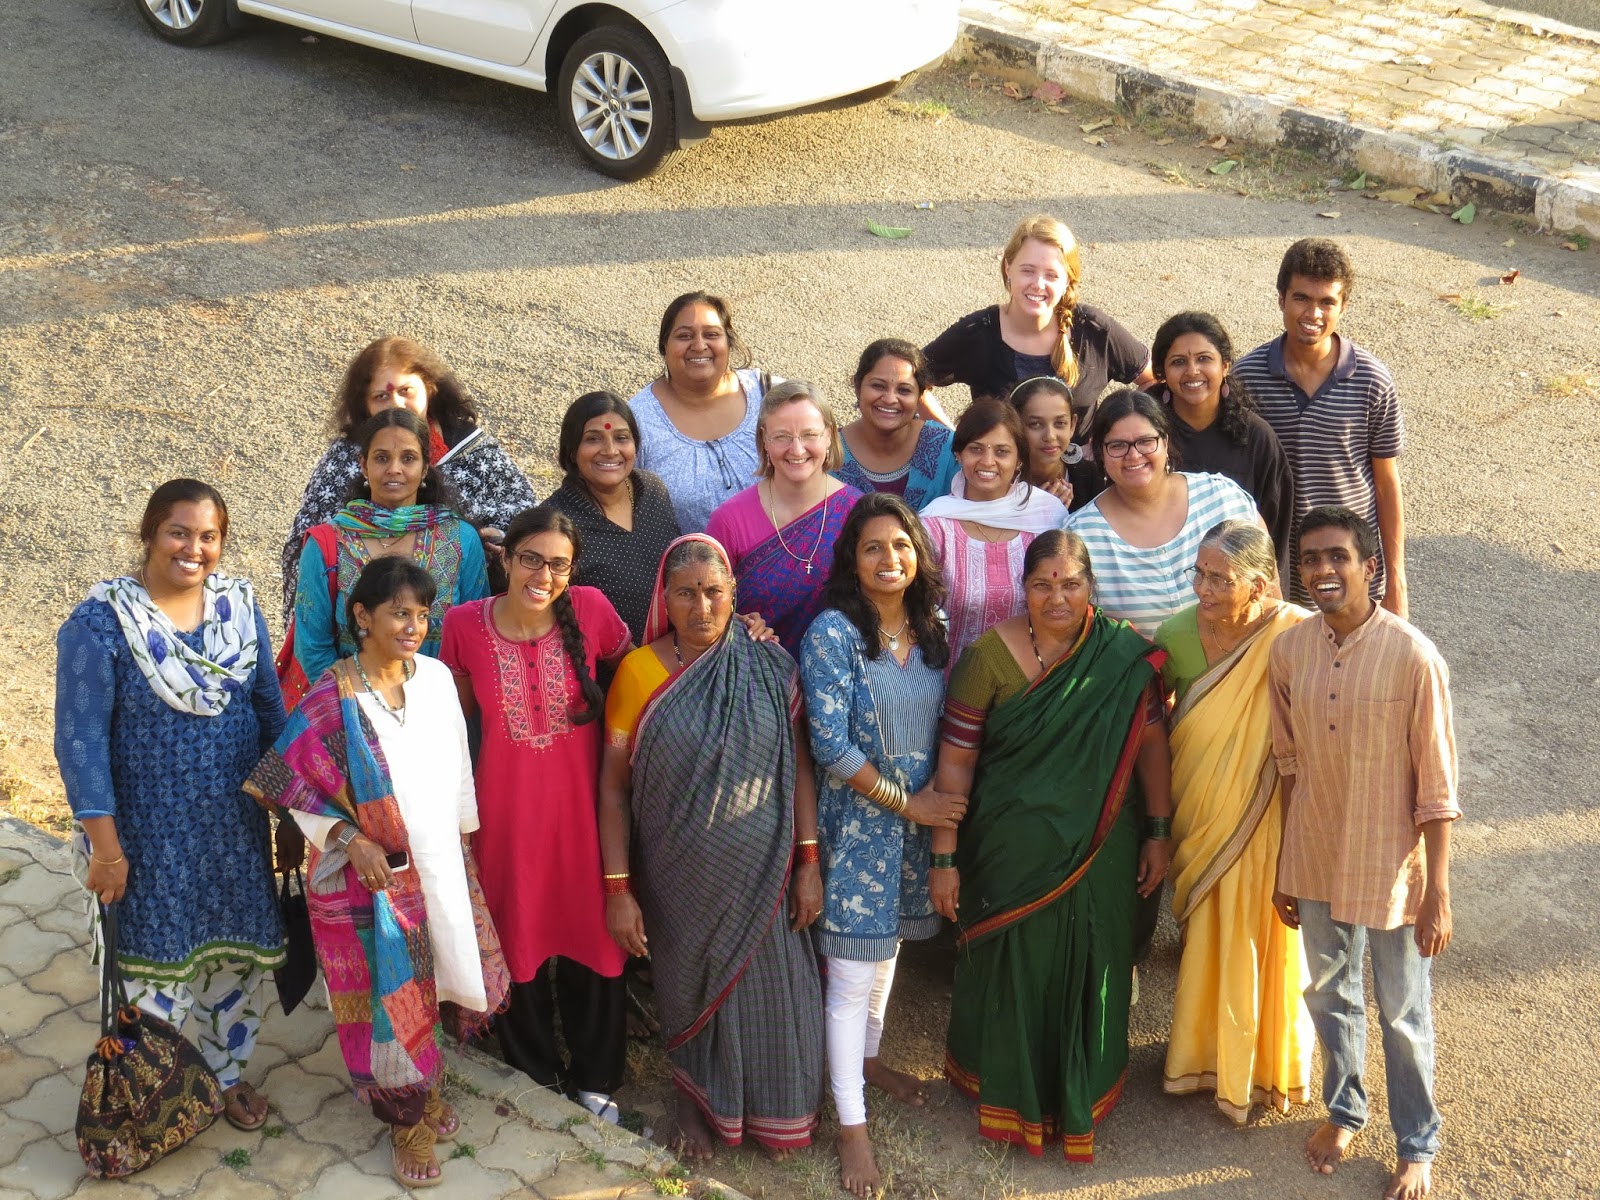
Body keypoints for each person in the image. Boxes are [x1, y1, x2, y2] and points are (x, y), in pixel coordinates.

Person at [248, 556, 509, 1189]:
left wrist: (465, 846)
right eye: (399, 612)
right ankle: (407, 1125)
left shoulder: (438, 678)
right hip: (369, 879)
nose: (413, 625)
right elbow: (283, 784)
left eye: (422, 613)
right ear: (362, 616)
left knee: (441, 977)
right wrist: (347, 837)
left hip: (440, 864)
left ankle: (427, 1087)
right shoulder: (330, 697)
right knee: (392, 1002)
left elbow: (455, 766)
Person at [55, 479, 289, 1135]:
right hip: (144, 840)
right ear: (151, 533)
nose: (194, 548)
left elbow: (271, 715)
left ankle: (225, 1076)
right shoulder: (101, 625)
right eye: (178, 531)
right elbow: (79, 745)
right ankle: (151, 1092)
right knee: (151, 970)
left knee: (233, 964)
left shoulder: (240, 614)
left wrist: (291, 815)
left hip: (231, 833)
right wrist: (106, 849)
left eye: (208, 536)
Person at [929, 531, 1171, 1163]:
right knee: (1014, 963)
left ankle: (1081, 1089)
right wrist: (945, 860)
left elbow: (1150, 749)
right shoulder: (986, 659)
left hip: (1102, 846)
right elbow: (954, 769)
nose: (1057, 597)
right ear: (1022, 588)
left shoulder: (1120, 655)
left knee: (1092, 960)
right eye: (1042, 585)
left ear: (1090, 586)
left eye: (1071, 584)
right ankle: (1002, 1085)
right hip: (1007, 850)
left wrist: (1158, 832)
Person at [599, 536, 825, 1162]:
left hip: (769, 872)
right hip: (678, 879)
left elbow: (799, 767)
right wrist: (618, 891)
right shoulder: (639, 672)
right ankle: (697, 1110)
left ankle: (777, 1115)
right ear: (664, 600)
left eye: (714, 591)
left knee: (781, 997)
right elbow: (614, 791)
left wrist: (809, 862)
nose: (701, 607)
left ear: (734, 595)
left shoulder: (772, 667)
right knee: (689, 992)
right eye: (686, 594)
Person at [1269, 507, 1459, 1200]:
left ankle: (1417, 1144)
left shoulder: (1413, 656)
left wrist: (1437, 890)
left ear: (1369, 566)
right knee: (1328, 995)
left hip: (1391, 868)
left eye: (1337, 558)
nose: (1322, 571)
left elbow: (1437, 788)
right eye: (1311, 559)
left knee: (1403, 1013)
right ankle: (1345, 1112)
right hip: (1316, 854)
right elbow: (1288, 767)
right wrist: (1289, 865)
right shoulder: (1289, 652)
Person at [439, 507, 633, 1121]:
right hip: (505, 817)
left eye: (557, 564)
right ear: (506, 558)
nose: (542, 574)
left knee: (594, 940)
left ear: (571, 571)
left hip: (584, 816)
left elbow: (634, 681)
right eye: (530, 558)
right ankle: (534, 1074)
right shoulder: (462, 626)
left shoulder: (595, 612)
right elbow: (460, 723)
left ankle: (597, 1081)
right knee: (515, 934)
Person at [798, 494, 963, 1198]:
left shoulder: (934, 628)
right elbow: (829, 745)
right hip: (861, 824)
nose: (888, 559)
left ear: (918, 554)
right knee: (851, 977)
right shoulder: (833, 633)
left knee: (887, 950)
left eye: (900, 545)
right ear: (852, 559)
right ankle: (851, 1127)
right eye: (872, 547)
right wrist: (908, 804)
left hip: (913, 827)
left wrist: (930, 820)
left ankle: (865, 1062)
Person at [1155, 520, 1313, 1125]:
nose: (1203, 589)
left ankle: (1266, 1066)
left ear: (1261, 585)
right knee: (1210, 927)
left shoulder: (1296, 633)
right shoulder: (1175, 634)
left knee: (1260, 931)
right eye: (1198, 574)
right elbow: (1154, 726)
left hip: (1267, 809)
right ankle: (1200, 1057)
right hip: (1200, 808)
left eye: (1220, 579)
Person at [280, 336, 537, 615]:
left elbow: (531, 524)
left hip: (454, 620)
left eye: (406, 391)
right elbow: (306, 546)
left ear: (429, 388)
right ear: (364, 404)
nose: (396, 404)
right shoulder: (342, 460)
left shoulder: (474, 450)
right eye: (381, 396)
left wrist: (501, 541)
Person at [1234, 239, 1407, 615]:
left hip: (1352, 568)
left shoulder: (1372, 381)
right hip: (1278, 568)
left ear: (1343, 306)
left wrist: (1397, 582)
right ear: (1281, 299)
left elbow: (1386, 483)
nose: (1313, 312)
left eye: (1327, 301)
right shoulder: (1247, 378)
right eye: (1301, 298)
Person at [923, 213, 1154, 483]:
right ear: (1008, 268)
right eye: (1028, 270)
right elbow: (911, 381)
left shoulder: (1094, 330)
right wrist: (958, 443)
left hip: (1083, 485)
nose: (1038, 284)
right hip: (1002, 488)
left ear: (1068, 280)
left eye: (1052, 275)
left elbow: (1151, 380)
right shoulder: (977, 333)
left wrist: (1112, 440)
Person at [290, 408, 489, 694]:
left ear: (424, 468)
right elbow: (311, 647)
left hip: (439, 706)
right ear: (363, 466)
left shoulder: (460, 539)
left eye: (408, 458)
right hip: (353, 710)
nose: (394, 468)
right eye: (382, 458)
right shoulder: (328, 543)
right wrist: (363, 705)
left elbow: (475, 635)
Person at [1065, 390, 1262, 639]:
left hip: (1245, 670)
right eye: (1118, 445)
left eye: (1146, 441)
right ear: (1099, 452)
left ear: (1165, 442)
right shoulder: (1080, 535)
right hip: (1140, 678)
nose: (1134, 455)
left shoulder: (1222, 497)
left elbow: (1270, 591)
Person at [704, 380, 862, 648]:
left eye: (810, 435)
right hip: (759, 678)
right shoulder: (729, 521)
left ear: (829, 436)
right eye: (782, 437)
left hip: (845, 677)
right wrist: (739, 624)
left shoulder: (860, 513)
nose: (797, 450)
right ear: (764, 439)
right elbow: (705, 607)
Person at [920, 399, 1066, 672]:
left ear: (1019, 459)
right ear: (958, 454)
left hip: (1031, 686)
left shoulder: (1048, 519)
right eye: (976, 449)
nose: (988, 462)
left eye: (1002, 451)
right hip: (948, 685)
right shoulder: (933, 526)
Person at [1151, 311, 1295, 574]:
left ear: (1226, 365)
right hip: (1158, 583)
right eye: (1178, 362)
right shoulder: (1146, 438)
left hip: (1237, 588)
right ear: (1162, 372)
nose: (1192, 371)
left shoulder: (1257, 439)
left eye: (1204, 359)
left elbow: (1275, 536)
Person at [630, 291, 776, 533]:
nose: (699, 346)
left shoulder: (770, 394)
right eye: (684, 336)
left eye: (711, 334)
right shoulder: (635, 421)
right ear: (664, 346)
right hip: (687, 568)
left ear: (728, 342)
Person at [546, 391, 683, 644]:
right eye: (593, 439)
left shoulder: (651, 489)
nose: (610, 451)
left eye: (621, 438)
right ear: (571, 449)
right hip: (606, 671)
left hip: (677, 657)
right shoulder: (554, 523)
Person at [833, 339, 959, 510]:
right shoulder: (830, 453)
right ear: (858, 386)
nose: (890, 399)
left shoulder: (946, 449)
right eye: (878, 386)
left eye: (904, 390)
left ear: (919, 397)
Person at [1008, 374, 1077, 507]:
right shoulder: (1002, 478)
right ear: (1015, 425)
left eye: (1060, 423)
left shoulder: (1086, 473)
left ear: (1072, 425)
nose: (1050, 436)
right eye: (1035, 424)